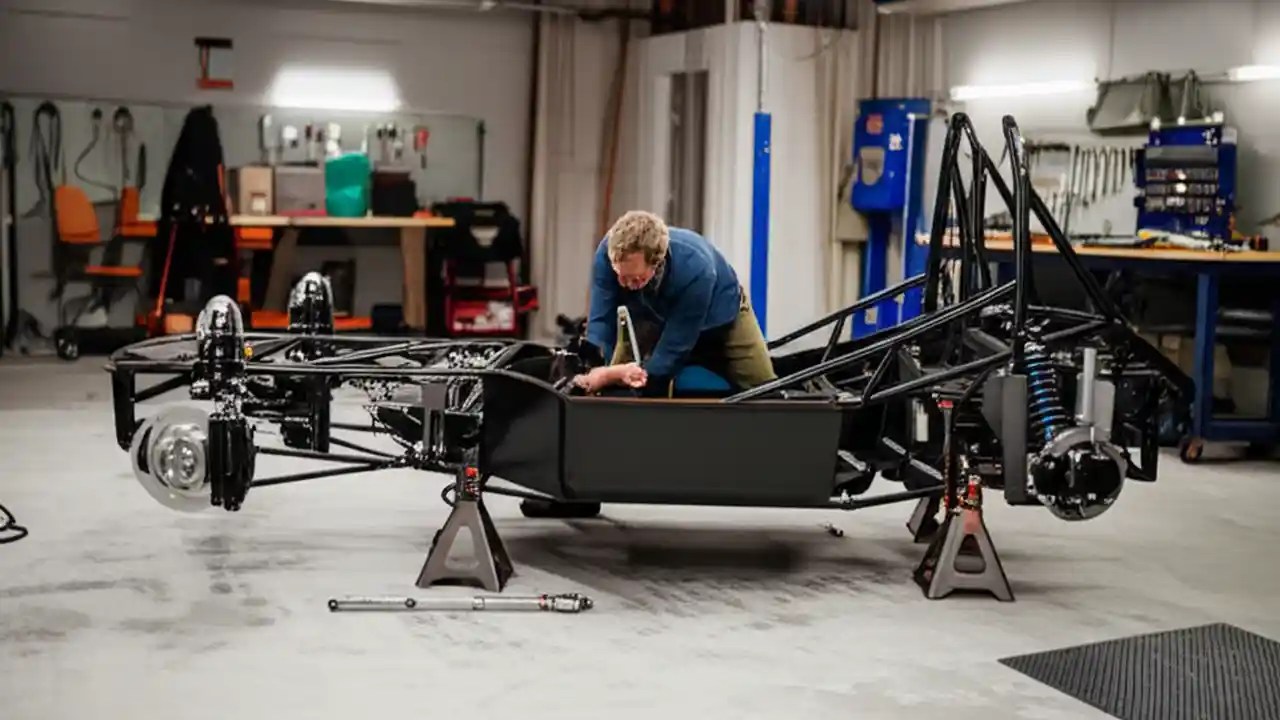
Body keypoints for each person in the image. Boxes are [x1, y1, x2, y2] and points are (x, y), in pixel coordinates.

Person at [576, 210, 776, 396]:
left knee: (763, 391)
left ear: (657, 262)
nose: (625, 285)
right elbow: (601, 320)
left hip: (720, 316)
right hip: (648, 313)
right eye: (620, 277)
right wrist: (592, 367)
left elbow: (672, 351)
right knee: (611, 386)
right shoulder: (606, 255)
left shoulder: (696, 269)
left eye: (635, 279)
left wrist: (633, 378)